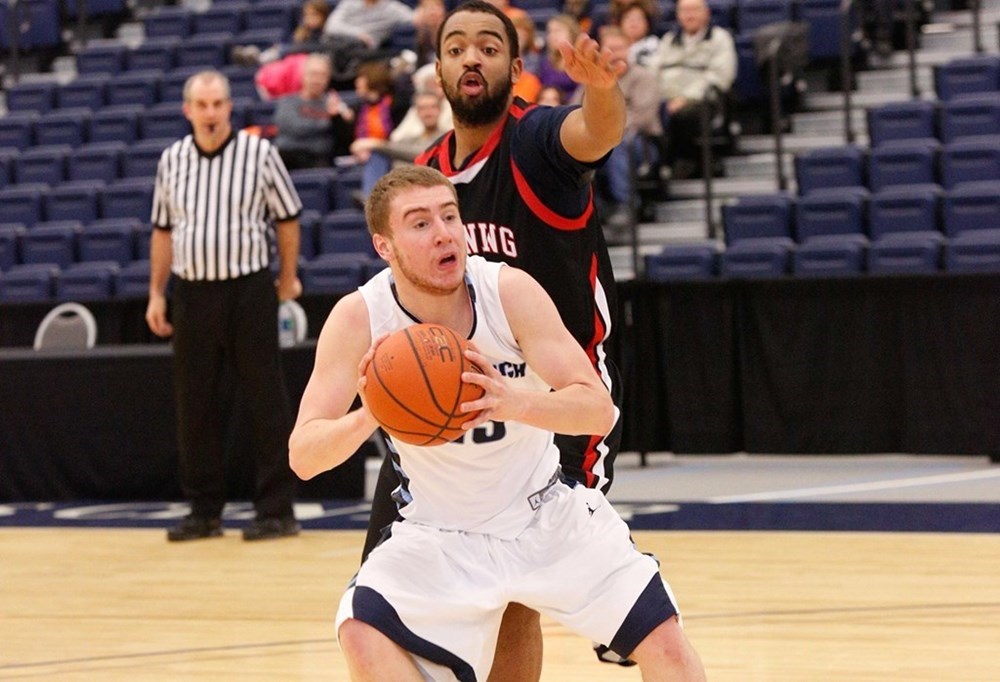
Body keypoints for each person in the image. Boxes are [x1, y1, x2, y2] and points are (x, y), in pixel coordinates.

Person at [288, 164, 707, 682]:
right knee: (360, 631)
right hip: (439, 532)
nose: (443, 233)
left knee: (669, 648)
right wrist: (371, 413)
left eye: (450, 216)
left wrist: (509, 402)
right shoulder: (360, 317)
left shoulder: (507, 290)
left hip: (544, 517)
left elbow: (597, 407)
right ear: (385, 246)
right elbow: (304, 457)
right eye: (420, 224)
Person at [405, 0, 632, 675]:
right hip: (469, 396)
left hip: (563, 393)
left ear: (514, 66)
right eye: (455, 47)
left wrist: (601, 89)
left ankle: (619, 596)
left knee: (516, 593)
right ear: (440, 68)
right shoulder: (425, 175)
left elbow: (595, 132)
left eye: (487, 46)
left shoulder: (535, 143)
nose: (470, 57)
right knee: (421, 588)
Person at [146, 70, 304, 543]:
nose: (211, 113)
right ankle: (203, 510)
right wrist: (157, 292)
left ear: (229, 107)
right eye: (202, 105)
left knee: (265, 399)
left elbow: (288, 219)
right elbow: (163, 231)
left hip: (249, 289)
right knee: (194, 403)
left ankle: (276, 509)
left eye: (218, 104)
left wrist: (287, 277)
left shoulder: (260, 154)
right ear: (187, 109)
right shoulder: (171, 160)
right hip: (192, 294)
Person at [573, 25, 663, 241]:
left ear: (629, 49)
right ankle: (593, 209)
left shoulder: (644, 77)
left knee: (617, 143)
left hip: (642, 145)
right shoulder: (593, 80)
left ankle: (626, 206)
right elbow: (573, 111)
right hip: (601, 141)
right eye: (609, 49)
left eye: (620, 48)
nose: (614, 54)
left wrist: (605, 127)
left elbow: (644, 116)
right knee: (576, 150)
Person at [654, 0, 737, 179]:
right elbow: (653, 73)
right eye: (684, 10)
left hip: (703, 101)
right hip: (666, 100)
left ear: (706, 13)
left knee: (682, 114)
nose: (689, 15)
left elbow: (721, 76)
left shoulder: (719, 38)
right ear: (677, 15)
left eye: (694, 10)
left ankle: (679, 161)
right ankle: (656, 167)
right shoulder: (668, 40)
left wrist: (686, 98)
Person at [350, 91, 450, 199]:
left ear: (440, 110)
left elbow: (422, 153)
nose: (428, 112)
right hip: (400, 184)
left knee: (381, 150)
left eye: (432, 107)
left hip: (426, 185)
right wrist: (370, 148)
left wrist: (376, 144)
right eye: (423, 108)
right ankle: (371, 198)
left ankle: (370, 200)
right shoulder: (411, 139)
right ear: (417, 113)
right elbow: (394, 147)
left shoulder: (446, 137)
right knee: (378, 155)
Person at [272, 53, 342, 170]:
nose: (317, 80)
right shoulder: (287, 102)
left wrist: (336, 118)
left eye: (322, 75)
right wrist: (326, 121)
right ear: (303, 75)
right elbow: (295, 127)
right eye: (313, 74)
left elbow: (339, 139)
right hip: (288, 161)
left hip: (320, 163)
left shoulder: (333, 103)